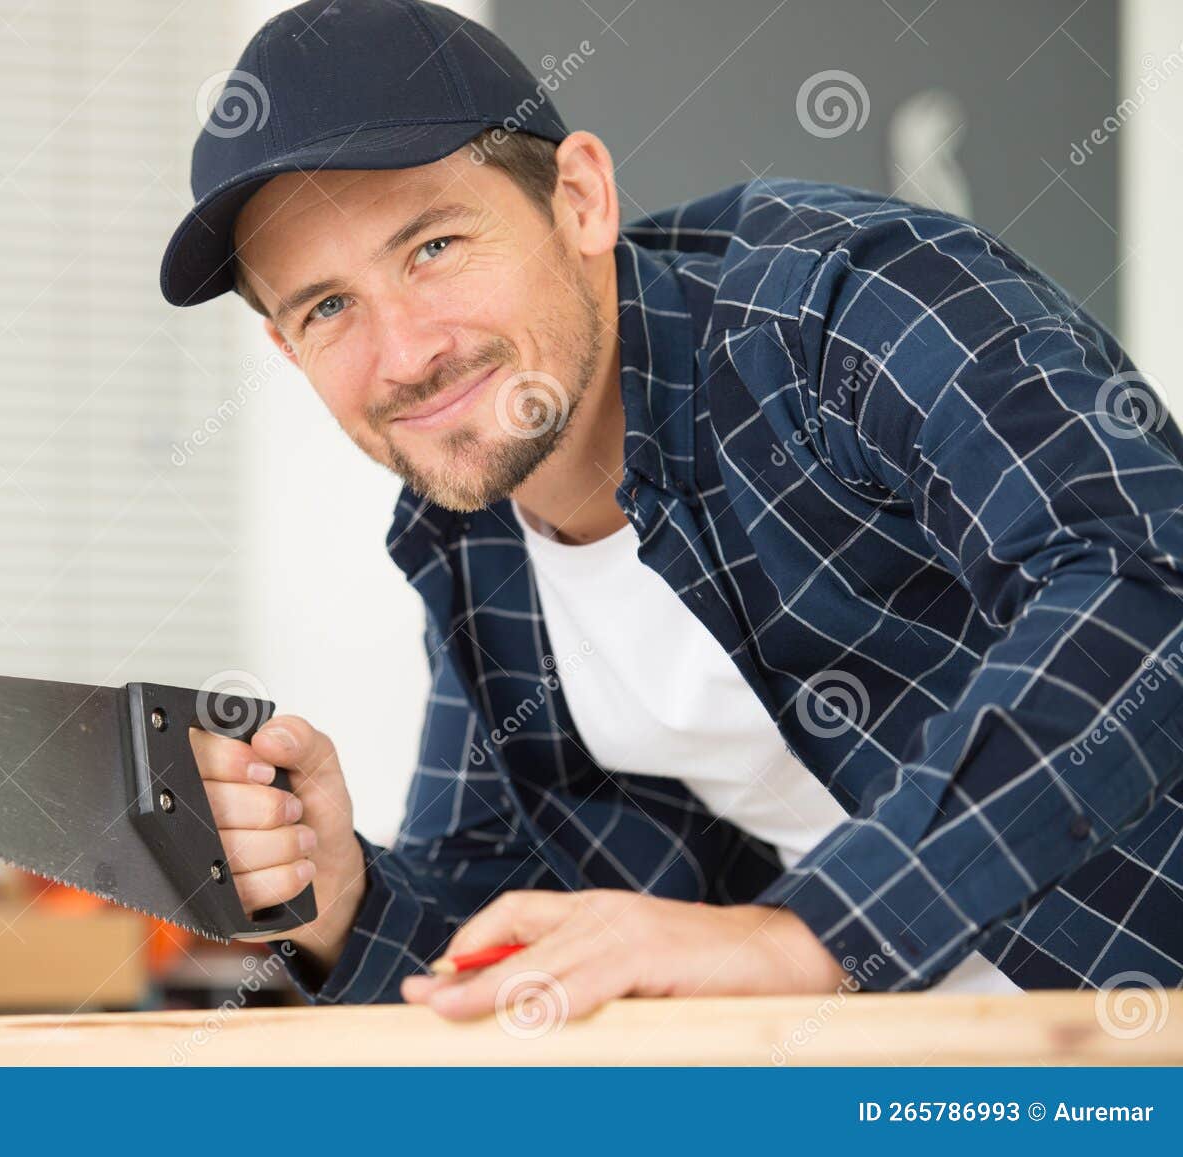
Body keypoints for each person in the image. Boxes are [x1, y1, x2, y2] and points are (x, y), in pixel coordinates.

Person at [164, 0, 1183, 1017]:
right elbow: (493, 934)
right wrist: (339, 895)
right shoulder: (467, 529)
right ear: (288, 351)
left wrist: (809, 932)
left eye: (432, 246)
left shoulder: (838, 312)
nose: (405, 353)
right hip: (893, 1079)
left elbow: (1143, 591)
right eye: (328, 306)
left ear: (580, 199)